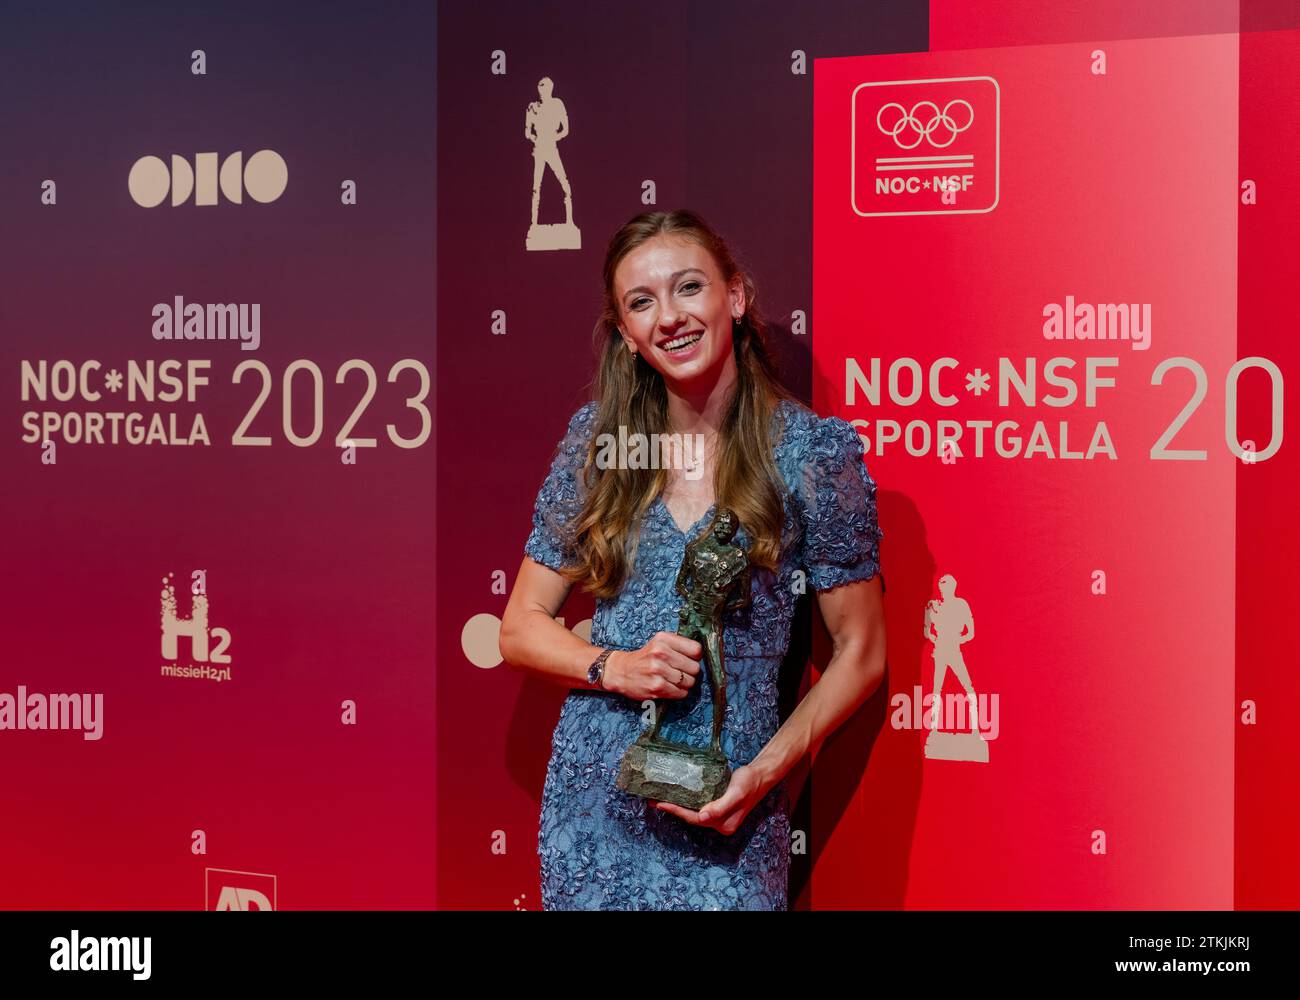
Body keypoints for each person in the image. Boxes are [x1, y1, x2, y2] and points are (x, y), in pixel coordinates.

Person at [499, 209, 887, 910]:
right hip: (596, 809)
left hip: (731, 804)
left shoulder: (811, 453)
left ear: (734, 298)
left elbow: (861, 649)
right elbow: (519, 626)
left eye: (688, 288)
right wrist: (615, 666)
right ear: (625, 333)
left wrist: (764, 776)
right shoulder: (599, 447)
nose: (669, 317)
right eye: (641, 303)